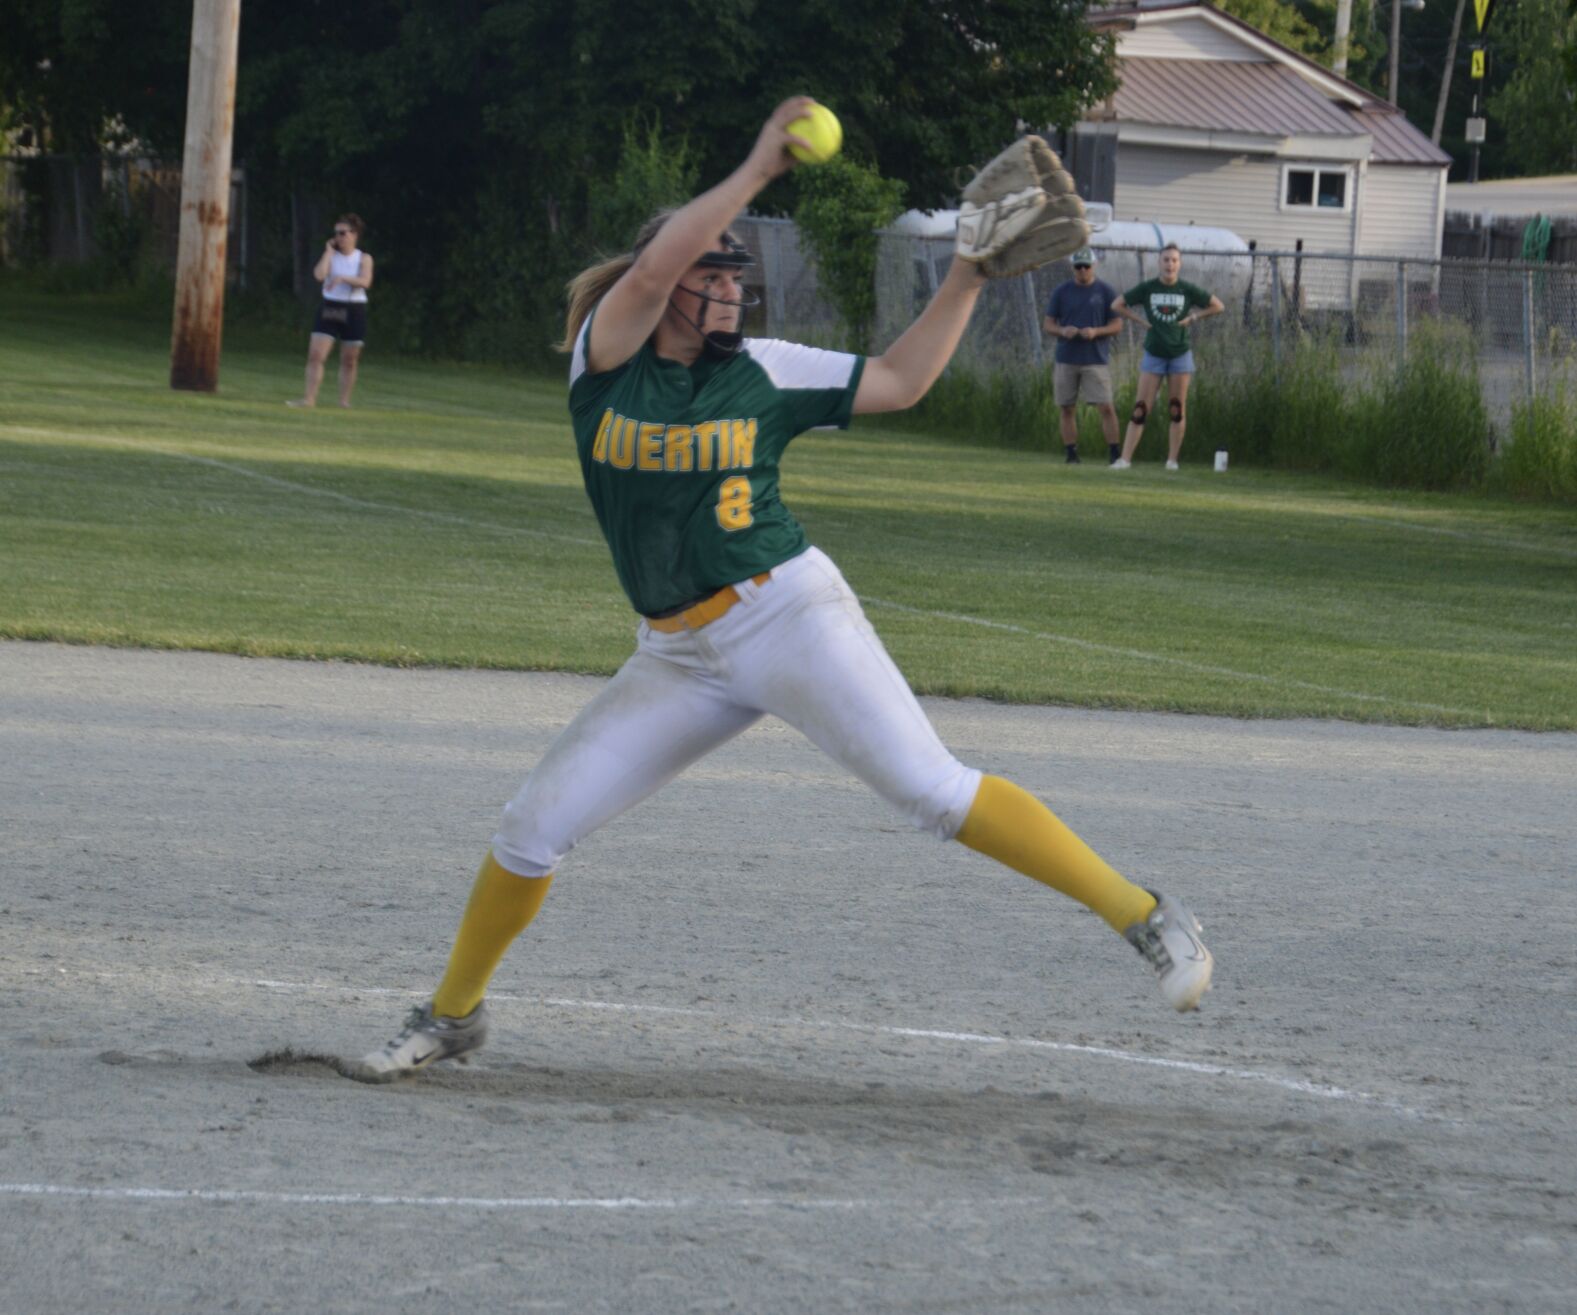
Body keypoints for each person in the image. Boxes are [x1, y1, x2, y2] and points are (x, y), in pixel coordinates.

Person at [350, 99, 1215, 1083]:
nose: (730, 290)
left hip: (786, 613)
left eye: (735, 276)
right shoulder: (608, 359)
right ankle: (452, 1014)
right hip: (676, 655)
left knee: (930, 790)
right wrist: (759, 166)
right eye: (711, 275)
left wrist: (967, 276)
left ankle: (1145, 914)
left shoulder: (762, 369)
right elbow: (648, 272)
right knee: (530, 827)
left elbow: (898, 380)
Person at [1109, 243, 1223, 470]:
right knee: (1140, 409)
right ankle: (1124, 460)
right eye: (1166, 260)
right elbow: (1117, 304)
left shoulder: (1186, 289)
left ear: (1179, 264)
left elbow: (1217, 305)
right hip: (1154, 355)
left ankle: (1172, 461)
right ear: (1159, 263)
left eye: (1174, 260)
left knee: (1176, 409)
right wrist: (1140, 321)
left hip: (1180, 355)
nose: (1170, 264)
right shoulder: (1148, 288)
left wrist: (1193, 318)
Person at [1042, 247, 1123, 465]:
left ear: (1094, 266)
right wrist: (1063, 331)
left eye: (1087, 266)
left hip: (1095, 359)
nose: (1083, 270)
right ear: (1073, 268)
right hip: (1066, 358)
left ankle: (1115, 453)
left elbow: (1117, 324)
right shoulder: (1061, 291)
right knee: (1067, 407)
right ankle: (1071, 454)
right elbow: (1048, 324)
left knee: (1106, 407)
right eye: (1079, 266)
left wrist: (1096, 332)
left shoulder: (1106, 291)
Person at [288, 214, 374, 409]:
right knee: (316, 355)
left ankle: (344, 401)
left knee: (349, 359)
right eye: (336, 233)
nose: (338, 237)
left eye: (343, 233)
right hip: (331, 307)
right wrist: (328, 252)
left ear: (354, 235)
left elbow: (365, 281)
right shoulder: (331, 256)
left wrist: (342, 278)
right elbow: (319, 275)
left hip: (354, 309)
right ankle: (309, 399)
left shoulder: (363, 258)